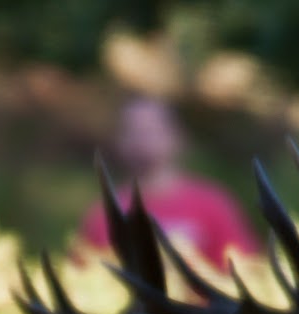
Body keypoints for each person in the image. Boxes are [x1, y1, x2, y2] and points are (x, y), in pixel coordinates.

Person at [79, 96, 261, 269]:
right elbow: (85, 277)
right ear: (119, 142)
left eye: (151, 130)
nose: (142, 140)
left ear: (177, 137)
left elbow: (244, 270)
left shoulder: (212, 203)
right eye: (132, 132)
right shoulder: (104, 212)